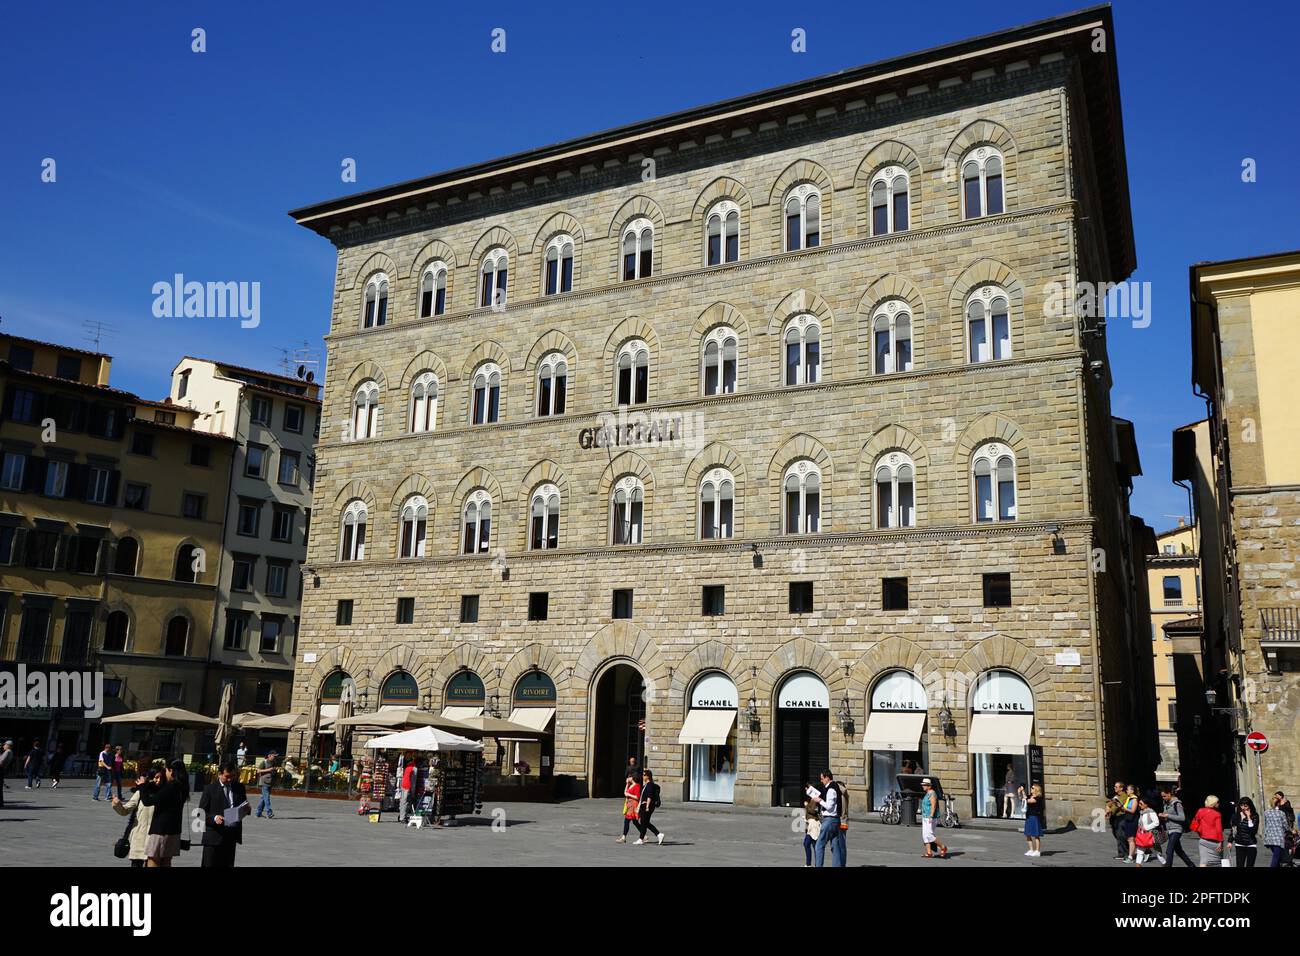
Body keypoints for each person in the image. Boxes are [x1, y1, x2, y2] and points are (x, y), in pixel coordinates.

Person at [139, 759, 189, 868]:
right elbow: (161, 795)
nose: (165, 773)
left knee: (153, 860)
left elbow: (147, 802)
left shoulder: (171, 787)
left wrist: (142, 785)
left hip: (161, 831)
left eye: (166, 770)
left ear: (171, 771)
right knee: (166, 861)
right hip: (174, 831)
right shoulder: (183, 787)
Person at [199, 760, 249, 867]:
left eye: (232, 776)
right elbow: (200, 813)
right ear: (219, 774)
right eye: (227, 776)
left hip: (231, 836)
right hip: (214, 837)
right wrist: (214, 818)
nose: (230, 779)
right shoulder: (209, 789)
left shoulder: (239, 787)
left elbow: (243, 805)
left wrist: (246, 809)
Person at [112, 770, 158, 867]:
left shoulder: (164, 794)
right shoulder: (140, 793)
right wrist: (117, 804)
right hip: (139, 837)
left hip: (155, 838)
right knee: (136, 864)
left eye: (159, 777)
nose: (156, 780)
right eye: (154, 777)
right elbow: (124, 810)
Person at [810, 769, 845, 867]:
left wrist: (819, 800)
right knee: (835, 846)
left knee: (819, 845)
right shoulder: (834, 787)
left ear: (827, 778)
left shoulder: (831, 789)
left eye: (822, 779)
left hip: (830, 820)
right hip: (835, 820)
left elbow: (829, 806)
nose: (821, 781)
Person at [1158, 785, 1195, 867]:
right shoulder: (1166, 803)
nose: (1163, 798)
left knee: (1169, 850)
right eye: (1162, 796)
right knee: (1179, 851)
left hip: (1176, 829)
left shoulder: (1177, 804)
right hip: (1169, 830)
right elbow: (1167, 815)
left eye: (1164, 796)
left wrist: (1168, 815)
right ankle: (1191, 865)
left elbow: (1182, 817)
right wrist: (1163, 816)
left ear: (1169, 794)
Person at [1190, 795, 1225, 867]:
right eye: (1217, 802)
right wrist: (1221, 842)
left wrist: (1201, 833)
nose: (1219, 804)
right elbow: (1219, 830)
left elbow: (1195, 825)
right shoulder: (1217, 814)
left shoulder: (1200, 811)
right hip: (1215, 842)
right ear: (1214, 803)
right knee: (1217, 863)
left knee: (1203, 861)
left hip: (1203, 841)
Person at [920, 777, 948, 859]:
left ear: (929, 786)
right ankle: (929, 853)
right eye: (922, 785)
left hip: (931, 817)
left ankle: (943, 847)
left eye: (924, 785)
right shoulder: (927, 793)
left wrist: (931, 816)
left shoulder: (932, 793)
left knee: (929, 835)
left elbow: (934, 805)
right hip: (925, 817)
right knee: (925, 835)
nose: (923, 786)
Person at [634, 769, 663, 845]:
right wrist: (638, 807)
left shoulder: (650, 785)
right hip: (644, 805)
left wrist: (647, 806)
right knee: (645, 822)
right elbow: (642, 797)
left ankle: (641, 839)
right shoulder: (646, 785)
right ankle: (658, 834)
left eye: (644, 775)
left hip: (647, 806)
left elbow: (649, 796)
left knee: (644, 822)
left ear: (648, 776)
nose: (642, 776)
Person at [1263, 793, 1290, 868]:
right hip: (1278, 838)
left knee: (1277, 856)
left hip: (1269, 838)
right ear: (1278, 803)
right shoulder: (1281, 813)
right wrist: (1289, 830)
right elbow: (1285, 825)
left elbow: (1265, 824)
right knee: (1276, 856)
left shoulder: (1266, 813)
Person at [1134, 797, 1161, 866]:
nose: (1139, 805)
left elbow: (1156, 822)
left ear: (1146, 804)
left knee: (1157, 853)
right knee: (1140, 852)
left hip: (1151, 835)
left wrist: (1146, 828)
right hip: (1142, 835)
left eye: (1141, 804)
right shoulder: (1142, 812)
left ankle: (1164, 863)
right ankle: (1138, 865)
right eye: (1139, 803)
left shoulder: (1151, 812)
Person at [1232, 797, 1259, 868]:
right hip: (1239, 844)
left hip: (1251, 844)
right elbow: (1234, 829)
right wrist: (1230, 841)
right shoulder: (1236, 816)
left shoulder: (1255, 816)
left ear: (1250, 806)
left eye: (1245, 806)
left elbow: (1253, 831)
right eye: (1241, 805)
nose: (1243, 808)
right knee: (1239, 865)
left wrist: (1249, 817)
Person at [1105, 780, 1128, 860]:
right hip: (1115, 818)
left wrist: (1110, 810)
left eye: (1116, 787)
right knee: (1117, 835)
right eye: (1114, 786)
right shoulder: (1116, 796)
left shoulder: (1124, 796)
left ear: (1121, 788)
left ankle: (1124, 853)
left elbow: (1116, 807)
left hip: (1122, 817)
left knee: (1121, 835)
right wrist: (1107, 808)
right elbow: (1109, 803)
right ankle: (1122, 852)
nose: (1114, 788)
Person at [1022, 783, 1046, 857]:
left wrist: (1024, 797)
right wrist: (1021, 792)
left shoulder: (1038, 798)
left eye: (1032, 788)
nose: (1031, 789)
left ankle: (1037, 851)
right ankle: (1031, 850)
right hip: (1028, 816)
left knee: (1036, 834)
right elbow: (1024, 798)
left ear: (1036, 789)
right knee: (1028, 834)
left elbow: (1029, 801)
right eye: (1031, 788)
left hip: (1034, 817)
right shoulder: (1030, 796)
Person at [617, 770, 641, 843]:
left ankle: (623, 837)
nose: (628, 778)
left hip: (633, 805)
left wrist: (629, 795)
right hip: (629, 805)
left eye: (629, 777)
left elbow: (637, 797)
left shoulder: (637, 785)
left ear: (633, 777)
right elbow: (625, 792)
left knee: (627, 820)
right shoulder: (631, 785)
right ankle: (644, 835)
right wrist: (627, 784)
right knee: (635, 822)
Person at [254, 751, 277, 818]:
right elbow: (258, 771)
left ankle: (258, 813)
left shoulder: (274, 762)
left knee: (263, 798)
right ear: (269, 755)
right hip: (264, 782)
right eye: (274, 756)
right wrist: (268, 770)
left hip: (270, 782)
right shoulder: (264, 762)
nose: (275, 757)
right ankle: (269, 812)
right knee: (267, 798)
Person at [1120, 784, 1140, 862]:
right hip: (1128, 819)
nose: (1126, 791)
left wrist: (1124, 808)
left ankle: (1130, 857)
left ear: (1132, 791)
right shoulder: (1129, 798)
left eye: (1128, 789)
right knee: (1130, 838)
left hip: (1133, 820)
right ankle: (1137, 853)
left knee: (1131, 838)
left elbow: (1133, 810)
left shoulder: (1134, 799)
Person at [802, 793, 822, 866]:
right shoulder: (811, 800)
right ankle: (809, 864)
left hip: (814, 825)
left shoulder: (815, 800)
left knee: (811, 845)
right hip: (810, 825)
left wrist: (806, 805)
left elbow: (814, 811)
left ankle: (815, 864)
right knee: (809, 844)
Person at [398, 754, 418, 823]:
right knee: (405, 802)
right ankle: (402, 818)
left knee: (402, 801)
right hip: (408, 785)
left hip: (403, 784)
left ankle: (401, 815)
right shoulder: (414, 768)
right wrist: (413, 791)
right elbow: (413, 780)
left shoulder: (407, 767)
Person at [0, 740, 14, 807]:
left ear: (8, 745)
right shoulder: (10, 752)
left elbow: (1, 761)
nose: (3, 746)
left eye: (4, 745)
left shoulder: (7, 751)